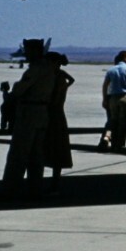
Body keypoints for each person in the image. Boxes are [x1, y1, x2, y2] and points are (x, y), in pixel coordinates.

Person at [1, 39, 55, 198]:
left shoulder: (35, 69)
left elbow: (20, 90)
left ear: (35, 51)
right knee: (36, 155)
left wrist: (10, 93)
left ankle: (10, 190)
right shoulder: (48, 68)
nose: (25, 53)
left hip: (29, 113)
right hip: (41, 113)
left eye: (28, 50)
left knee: (18, 154)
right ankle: (35, 189)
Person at [43, 52, 75, 192]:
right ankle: (54, 181)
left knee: (53, 147)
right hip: (58, 115)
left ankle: (52, 182)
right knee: (57, 149)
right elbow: (72, 80)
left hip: (53, 115)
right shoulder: (60, 75)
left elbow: (54, 100)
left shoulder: (55, 77)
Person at [100, 51, 126, 152]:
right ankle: (119, 144)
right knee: (123, 123)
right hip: (125, 97)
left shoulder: (111, 70)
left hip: (113, 98)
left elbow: (105, 85)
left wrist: (105, 99)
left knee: (113, 120)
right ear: (124, 58)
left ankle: (108, 137)